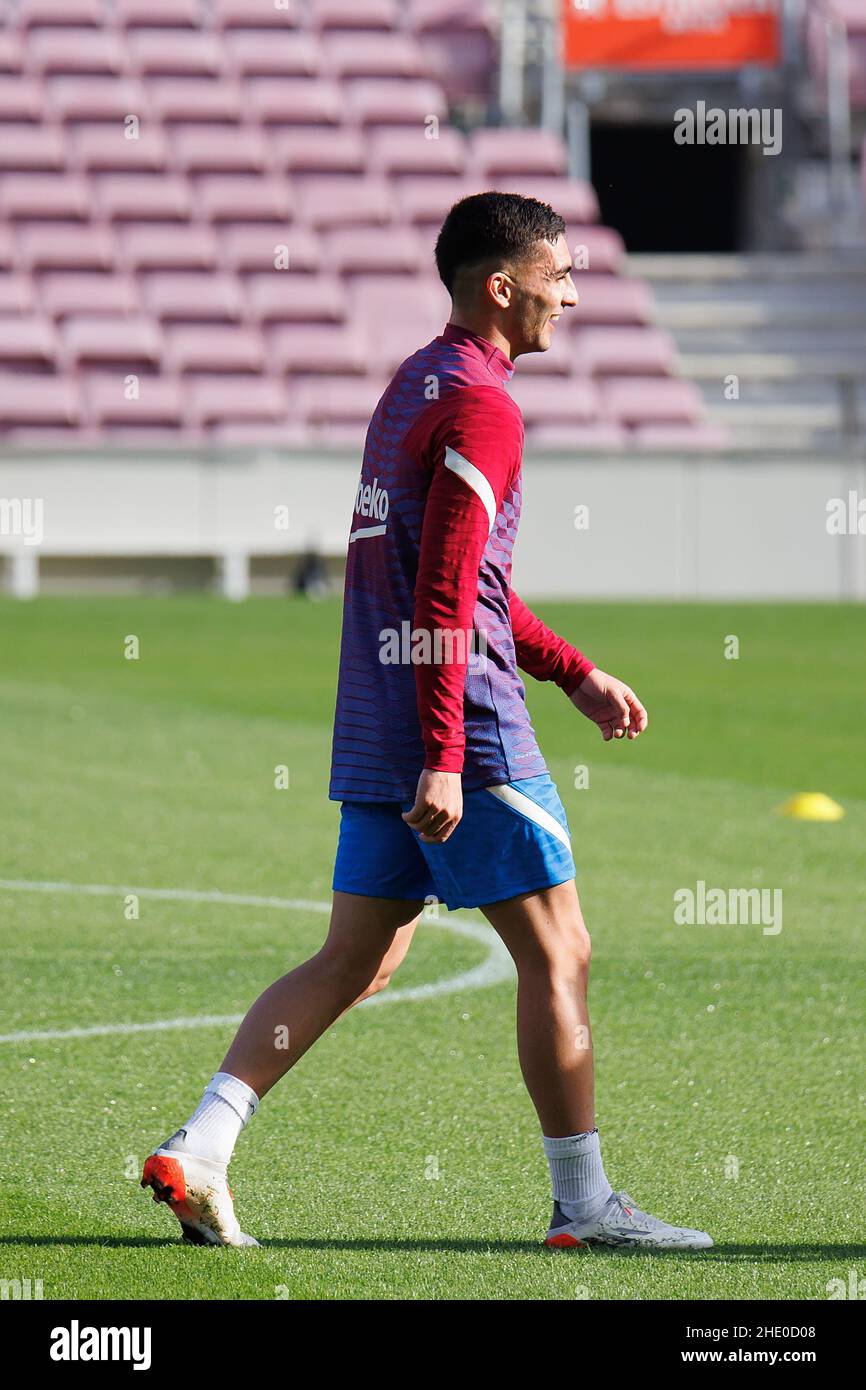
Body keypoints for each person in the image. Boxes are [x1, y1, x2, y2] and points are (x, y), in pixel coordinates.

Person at [141, 192, 712, 1252]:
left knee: (357, 955)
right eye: (558, 275)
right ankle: (583, 1206)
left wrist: (572, 671)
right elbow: (446, 597)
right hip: (462, 731)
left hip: (378, 721)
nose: (573, 294)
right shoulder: (486, 410)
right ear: (501, 287)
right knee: (561, 954)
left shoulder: (417, 383)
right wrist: (449, 756)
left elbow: (459, 583)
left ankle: (201, 1147)